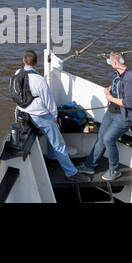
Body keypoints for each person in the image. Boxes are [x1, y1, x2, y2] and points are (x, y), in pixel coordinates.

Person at [14, 51, 86, 180]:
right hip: (38, 117)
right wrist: (55, 119)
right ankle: (71, 173)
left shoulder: (17, 73)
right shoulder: (39, 80)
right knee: (59, 143)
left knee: (52, 131)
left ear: (23, 61)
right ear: (36, 63)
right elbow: (50, 104)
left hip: (21, 113)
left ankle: (52, 156)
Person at [78, 51, 132, 182]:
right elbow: (117, 86)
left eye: (110, 61)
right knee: (101, 137)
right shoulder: (117, 74)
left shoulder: (130, 78)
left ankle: (115, 170)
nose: (109, 63)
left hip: (124, 116)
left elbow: (129, 103)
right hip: (111, 112)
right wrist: (109, 89)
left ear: (115, 63)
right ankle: (90, 165)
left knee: (108, 139)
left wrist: (110, 98)